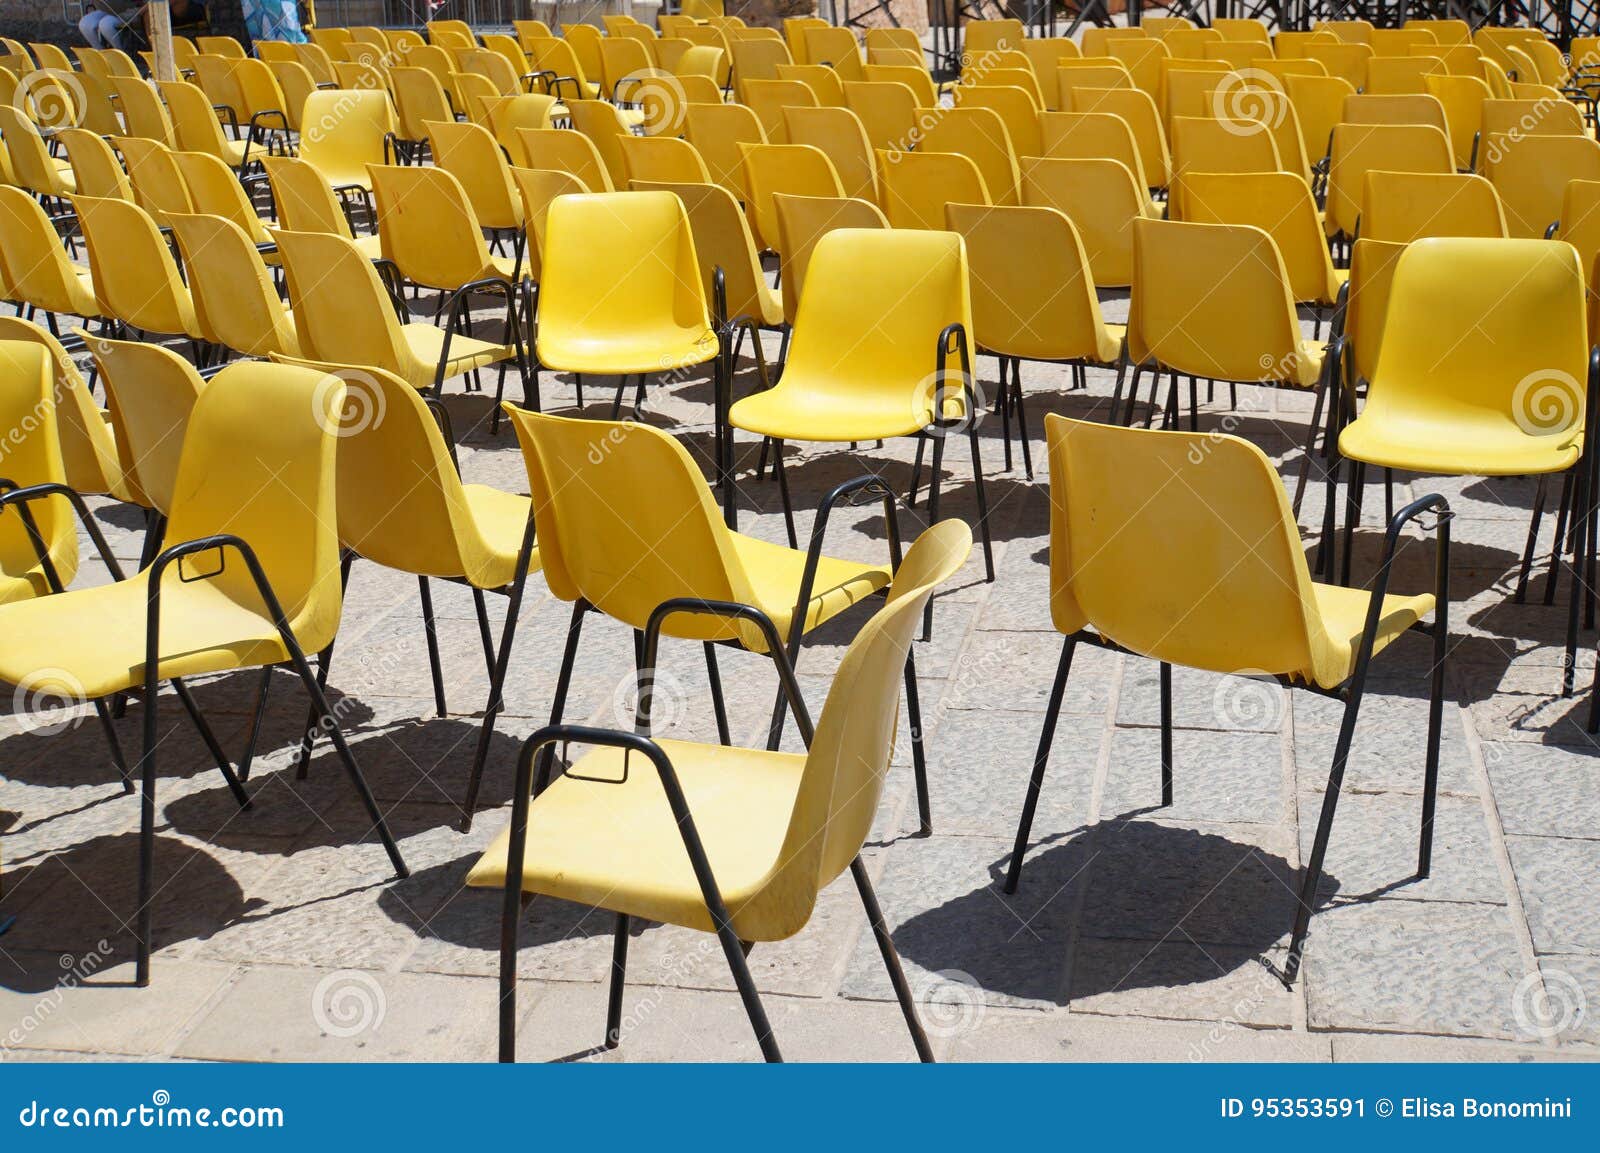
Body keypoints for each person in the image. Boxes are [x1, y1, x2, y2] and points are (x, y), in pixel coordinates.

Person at [78, 0, 145, 50]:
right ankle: (101, 54)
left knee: (106, 24)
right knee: (85, 23)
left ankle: (121, 54)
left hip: (129, 10)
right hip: (107, 9)